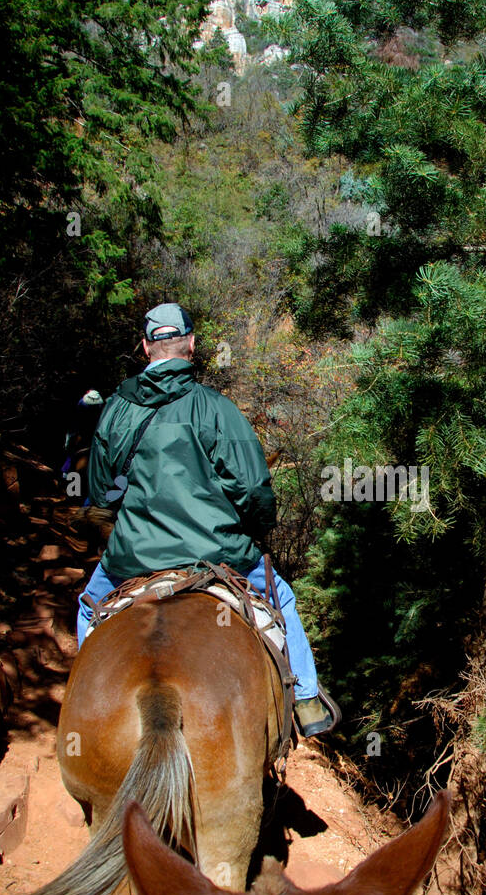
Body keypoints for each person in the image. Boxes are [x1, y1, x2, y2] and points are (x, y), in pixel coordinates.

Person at [76, 303, 336, 738]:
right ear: (192, 346)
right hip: (218, 554)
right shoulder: (217, 409)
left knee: (88, 608)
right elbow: (253, 489)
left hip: (132, 558)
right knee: (283, 599)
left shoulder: (117, 409)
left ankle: (84, 712)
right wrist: (256, 528)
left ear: (145, 348)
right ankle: (307, 702)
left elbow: (102, 492)